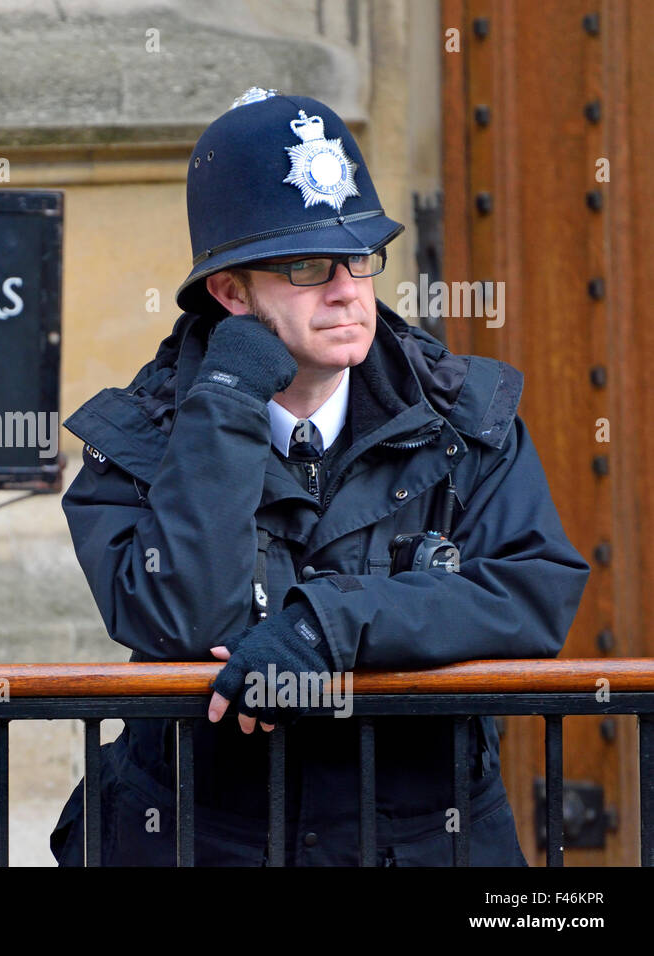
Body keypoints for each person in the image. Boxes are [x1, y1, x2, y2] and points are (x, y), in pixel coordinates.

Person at [49, 88, 590, 866]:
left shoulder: (467, 415)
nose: (347, 290)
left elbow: (534, 591)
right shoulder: (134, 438)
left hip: (420, 843)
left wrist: (325, 626)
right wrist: (229, 399)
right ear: (231, 293)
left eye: (361, 258)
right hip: (207, 841)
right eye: (308, 266)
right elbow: (183, 616)